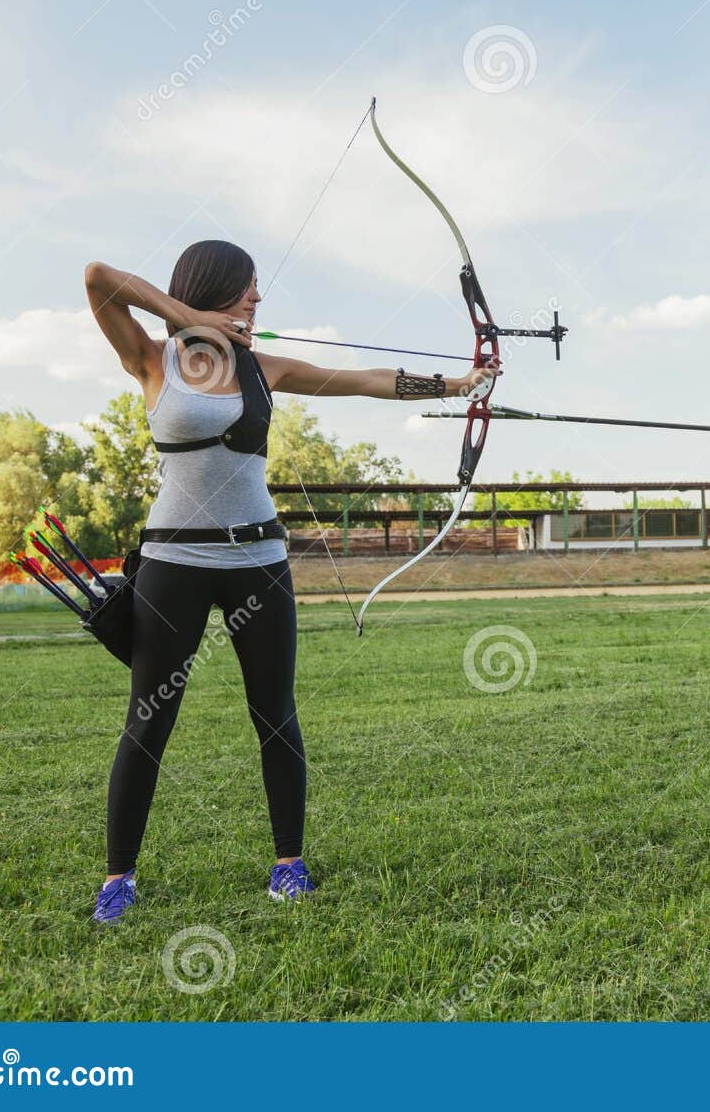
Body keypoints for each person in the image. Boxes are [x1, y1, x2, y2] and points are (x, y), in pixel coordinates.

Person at [81, 239, 496, 925]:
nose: (256, 298)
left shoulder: (261, 367)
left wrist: (457, 384)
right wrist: (190, 318)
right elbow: (98, 277)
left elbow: (363, 380)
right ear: (212, 286)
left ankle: (288, 865)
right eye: (246, 287)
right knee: (148, 721)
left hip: (258, 564)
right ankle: (118, 878)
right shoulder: (151, 359)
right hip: (173, 564)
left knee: (275, 714)